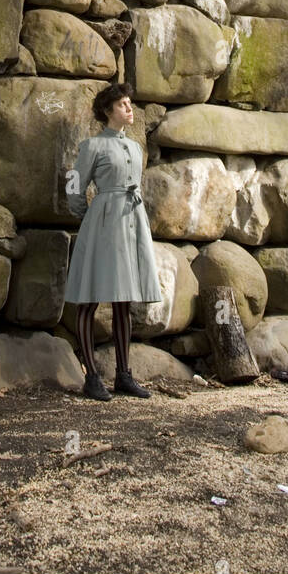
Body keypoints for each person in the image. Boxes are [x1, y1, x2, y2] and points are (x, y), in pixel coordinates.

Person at [63, 82, 162, 401]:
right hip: (103, 223)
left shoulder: (134, 147)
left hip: (131, 222)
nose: (129, 109)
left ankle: (124, 375)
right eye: (122, 105)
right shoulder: (92, 146)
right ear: (108, 112)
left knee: (124, 299)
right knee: (90, 296)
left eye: (130, 103)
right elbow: (75, 183)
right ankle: (91, 377)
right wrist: (88, 216)